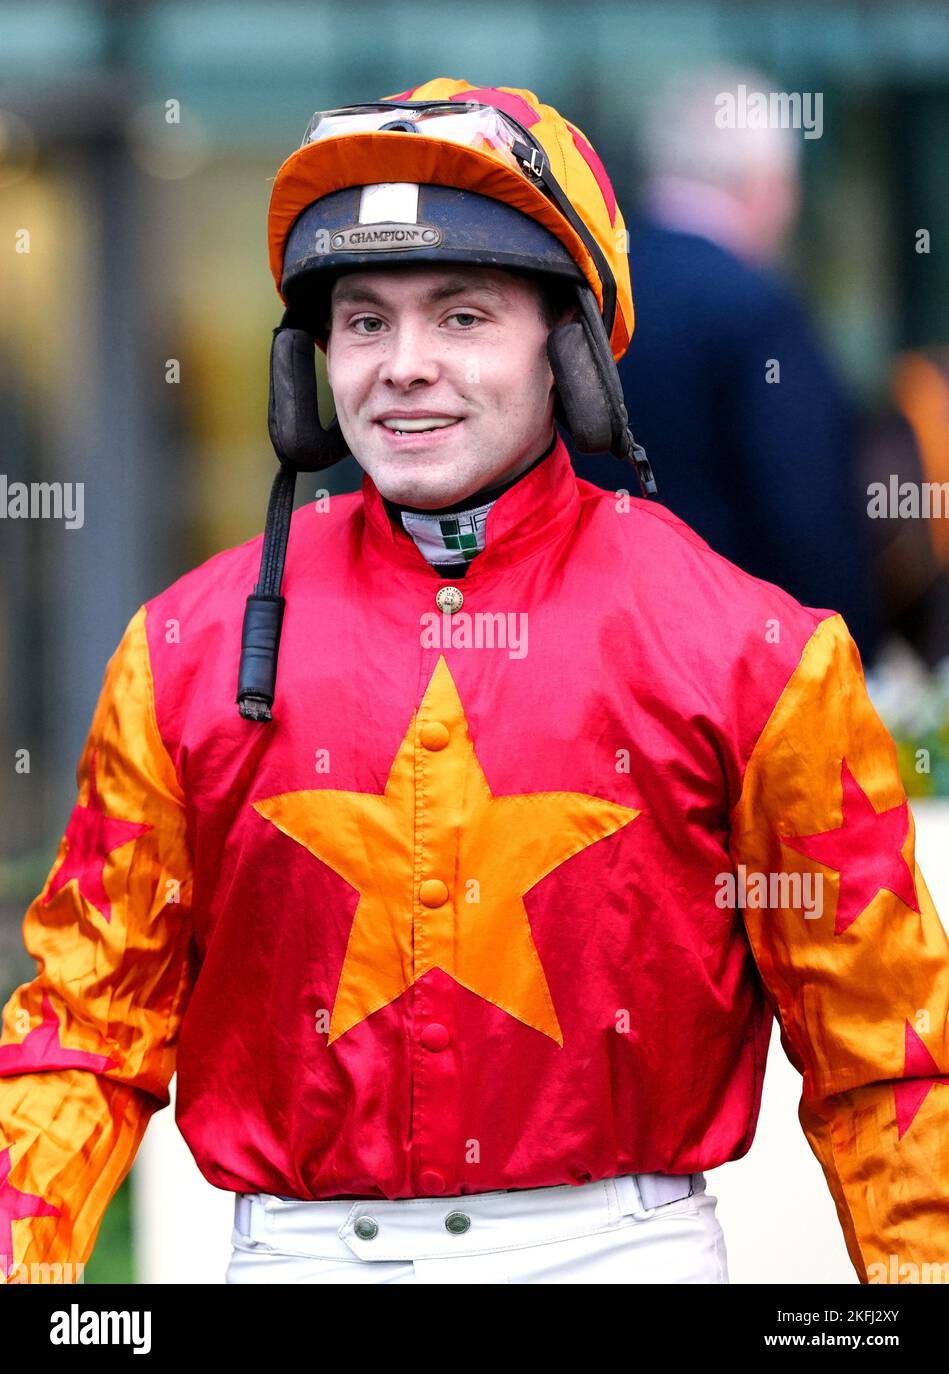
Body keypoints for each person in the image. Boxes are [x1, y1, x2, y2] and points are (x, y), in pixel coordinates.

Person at [0, 77, 946, 1287]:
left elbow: (894, 1064)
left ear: (567, 349)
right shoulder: (180, 648)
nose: (403, 367)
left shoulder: (756, 653)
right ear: (315, 358)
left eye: (459, 315)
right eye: (363, 321)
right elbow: (77, 1033)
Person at [571, 66, 882, 665]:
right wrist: (853, 660)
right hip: (730, 669)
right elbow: (807, 515)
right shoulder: (756, 307)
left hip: (592, 652)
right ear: (766, 185)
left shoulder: (587, 295)